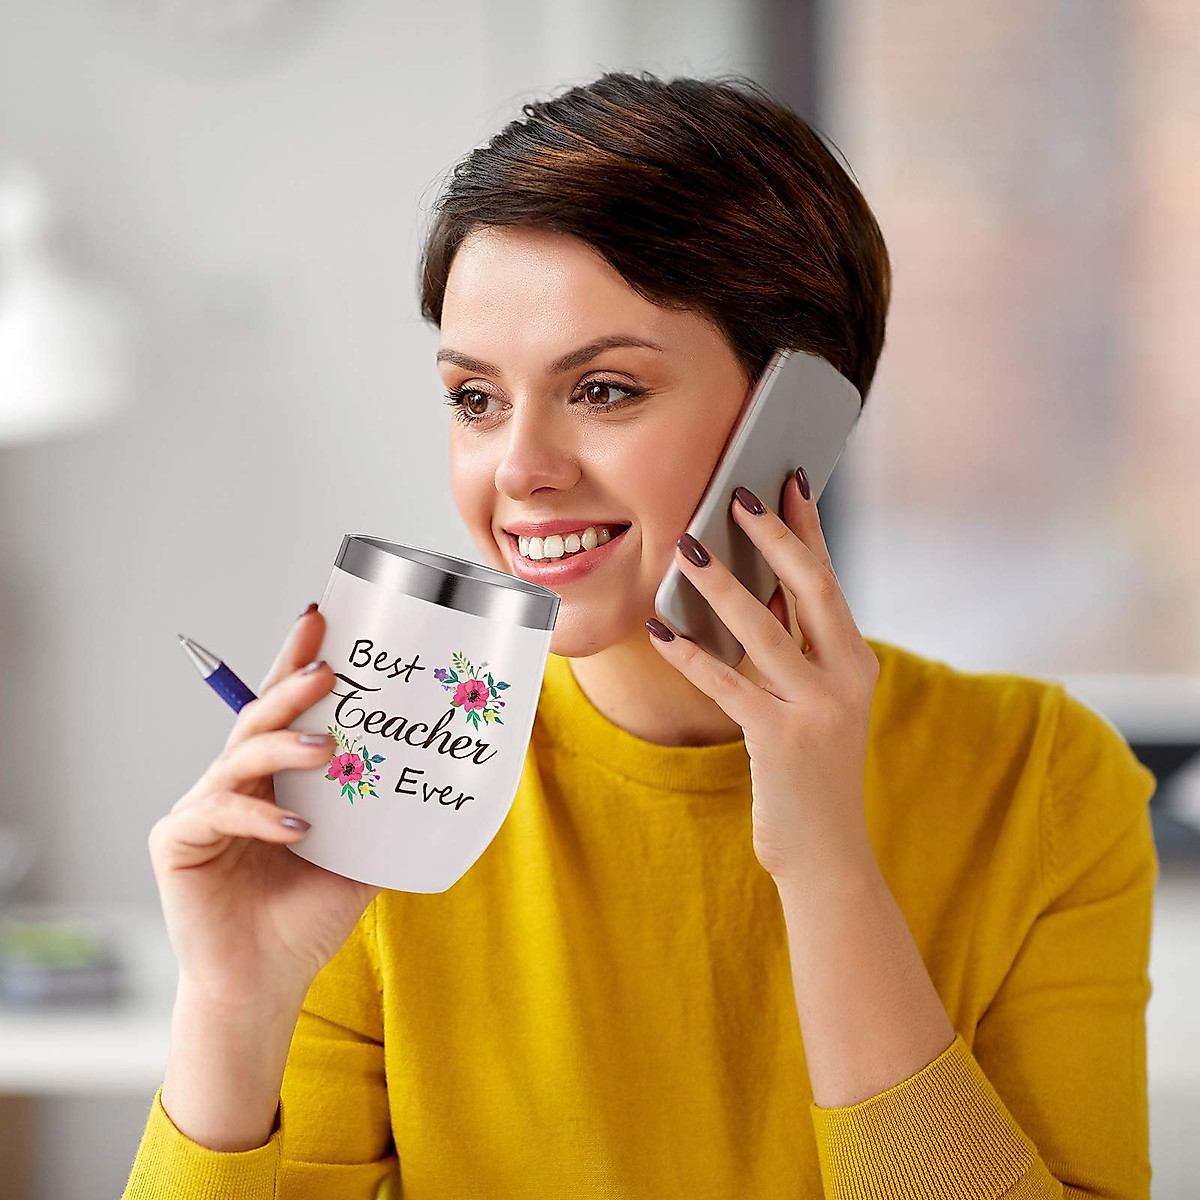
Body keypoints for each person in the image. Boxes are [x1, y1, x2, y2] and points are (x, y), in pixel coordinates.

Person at [122, 71, 1158, 1200]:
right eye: (476, 399)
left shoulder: (1042, 780)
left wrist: (829, 871)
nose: (520, 470)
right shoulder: (379, 784)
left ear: (797, 418)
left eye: (605, 390)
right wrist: (233, 1004)